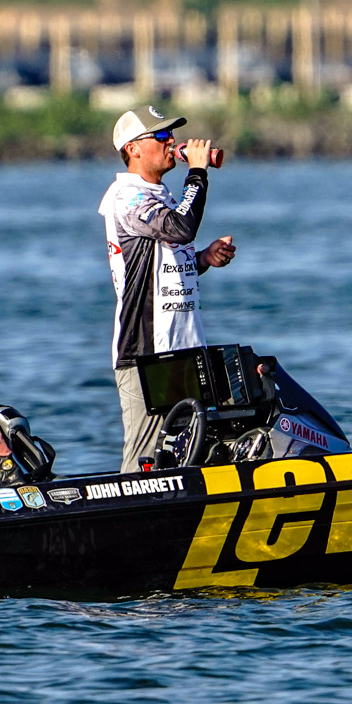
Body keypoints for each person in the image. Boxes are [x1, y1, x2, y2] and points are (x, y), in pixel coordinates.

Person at [100, 107, 236, 472]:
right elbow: (179, 229)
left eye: (171, 135)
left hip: (185, 348)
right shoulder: (125, 196)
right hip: (147, 352)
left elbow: (168, 264)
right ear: (133, 149)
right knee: (143, 464)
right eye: (161, 137)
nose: (172, 142)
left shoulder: (161, 196)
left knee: (194, 455)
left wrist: (204, 259)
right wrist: (197, 172)